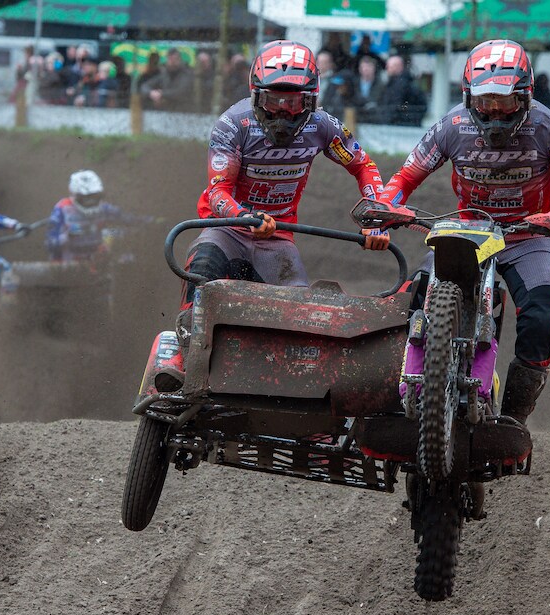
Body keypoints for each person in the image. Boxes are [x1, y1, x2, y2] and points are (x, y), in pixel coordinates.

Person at [380, 39, 550, 426]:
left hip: (527, 234)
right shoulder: (452, 125)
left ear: (526, 97)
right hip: (465, 230)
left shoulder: (546, 125)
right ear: (468, 98)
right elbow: (402, 179)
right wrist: (385, 209)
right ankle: (390, 391)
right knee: (411, 296)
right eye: (485, 104)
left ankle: (515, 416)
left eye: (506, 103)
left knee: (543, 317)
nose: (496, 115)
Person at [155, 40, 390, 391]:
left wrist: (377, 218)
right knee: (202, 262)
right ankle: (181, 355)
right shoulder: (232, 125)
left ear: (311, 100)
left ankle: (297, 394)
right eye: (273, 101)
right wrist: (244, 217)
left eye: (293, 103)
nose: (282, 112)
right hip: (227, 228)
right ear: (255, 96)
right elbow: (218, 191)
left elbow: (364, 166)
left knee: (300, 317)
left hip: (278, 237)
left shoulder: (323, 127)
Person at [46, 170, 142, 264]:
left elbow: (131, 219)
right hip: (68, 264)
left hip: (95, 259)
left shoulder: (104, 208)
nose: (90, 201)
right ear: (74, 195)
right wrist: (67, 237)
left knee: (114, 232)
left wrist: (152, 221)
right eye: (85, 198)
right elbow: (50, 245)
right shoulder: (62, 209)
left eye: (94, 197)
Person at [139, 48, 194, 112]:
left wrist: (161, 94)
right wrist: (151, 93)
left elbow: (181, 92)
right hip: (165, 112)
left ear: (179, 60)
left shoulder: (186, 73)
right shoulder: (164, 74)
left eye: (175, 59)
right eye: (170, 59)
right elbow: (145, 86)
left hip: (184, 111)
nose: (172, 62)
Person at [380, 55, 428, 126]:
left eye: (390, 66)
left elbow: (396, 106)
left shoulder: (400, 85)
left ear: (398, 67)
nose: (387, 68)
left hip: (400, 125)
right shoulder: (404, 82)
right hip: (405, 124)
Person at [352, 56, 387, 123]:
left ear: (374, 68)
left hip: (374, 118)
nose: (366, 69)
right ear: (359, 69)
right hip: (356, 118)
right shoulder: (354, 83)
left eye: (369, 67)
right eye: (364, 67)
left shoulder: (381, 85)